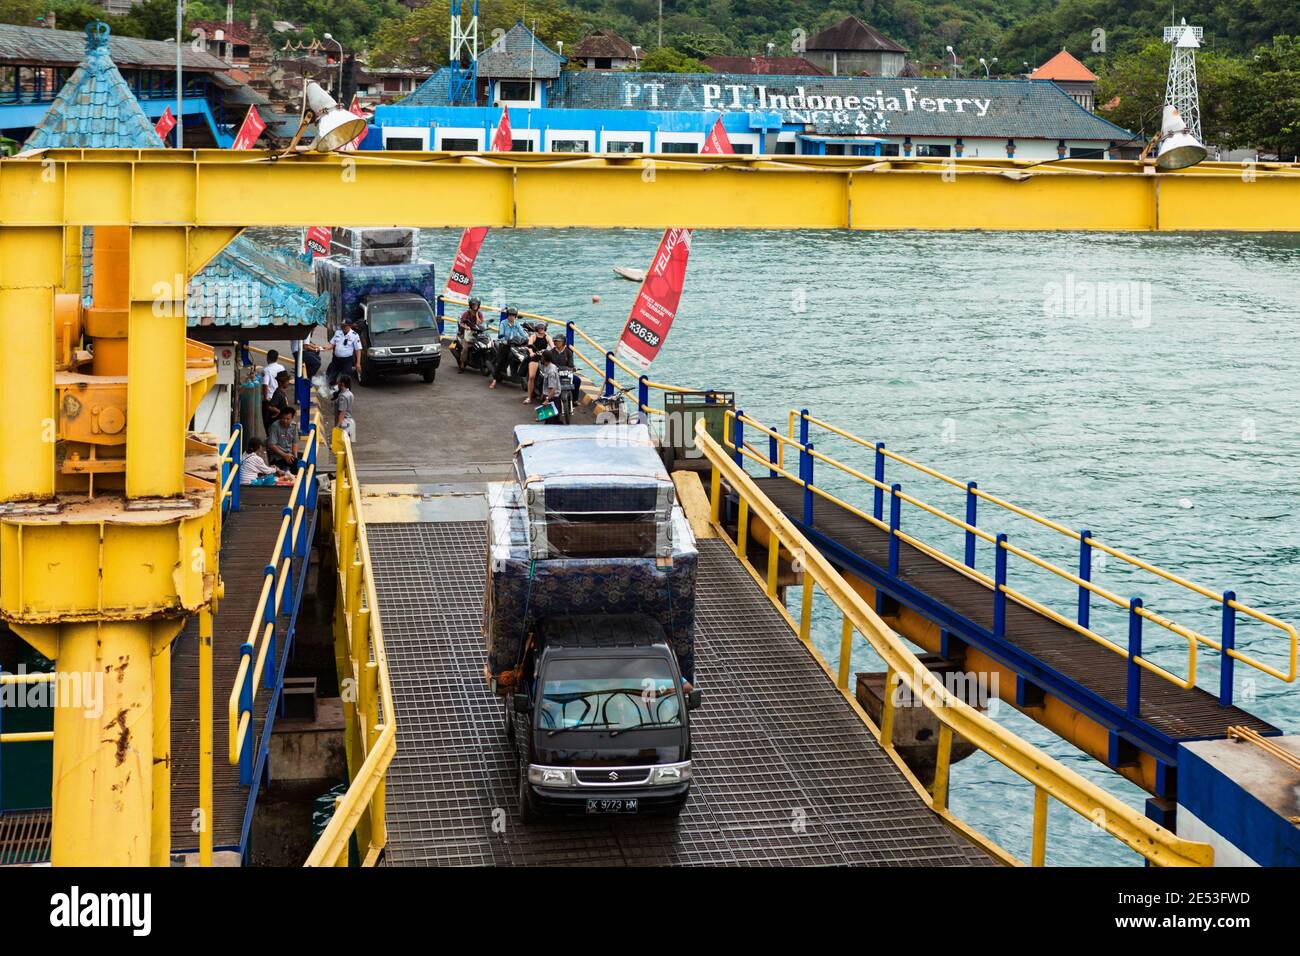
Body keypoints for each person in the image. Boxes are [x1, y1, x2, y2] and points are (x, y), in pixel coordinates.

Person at [525, 331, 575, 404]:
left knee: (577, 381)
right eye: (555, 341)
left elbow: (571, 365)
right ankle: (542, 395)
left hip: (564, 372)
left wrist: (569, 369)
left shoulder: (568, 352)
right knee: (542, 379)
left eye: (558, 341)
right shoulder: (551, 352)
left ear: (563, 342)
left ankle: (574, 400)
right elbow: (548, 363)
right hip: (554, 372)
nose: (555, 342)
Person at [490, 307, 528, 389]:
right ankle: (494, 380)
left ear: (515, 316)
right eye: (510, 315)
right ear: (507, 315)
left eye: (513, 315)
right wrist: (504, 340)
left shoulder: (517, 324)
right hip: (505, 345)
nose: (512, 317)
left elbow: (522, 333)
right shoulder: (503, 323)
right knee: (500, 361)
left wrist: (528, 339)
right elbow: (501, 334)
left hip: (514, 345)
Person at [324, 320, 362, 387]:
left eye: (345, 326)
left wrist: (358, 363)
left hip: (347, 361)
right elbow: (332, 344)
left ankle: (346, 394)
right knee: (331, 375)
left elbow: (358, 349)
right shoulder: (338, 333)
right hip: (336, 360)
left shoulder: (354, 335)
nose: (343, 327)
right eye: (342, 325)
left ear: (349, 326)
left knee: (346, 379)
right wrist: (324, 348)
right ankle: (331, 392)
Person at [456, 297, 485, 372]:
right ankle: (462, 364)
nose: (475, 306)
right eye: (473, 304)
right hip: (465, 334)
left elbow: (479, 323)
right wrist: (466, 327)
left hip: (475, 333)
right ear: (470, 305)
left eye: (476, 304)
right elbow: (461, 323)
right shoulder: (466, 313)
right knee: (465, 348)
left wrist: (477, 314)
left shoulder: (480, 313)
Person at [266, 406, 299, 471]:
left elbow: (295, 442)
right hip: (277, 456)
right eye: (283, 418)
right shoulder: (275, 426)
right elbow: (271, 445)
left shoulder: (294, 426)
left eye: (288, 419)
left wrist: (295, 457)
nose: (285, 421)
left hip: (289, 455)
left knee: (300, 465)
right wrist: (285, 456)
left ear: (292, 418)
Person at [335, 374, 356, 442]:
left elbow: (342, 412)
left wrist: (337, 426)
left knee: (342, 445)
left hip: (343, 423)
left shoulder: (343, 397)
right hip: (349, 422)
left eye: (338, 382)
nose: (337, 384)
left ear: (342, 384)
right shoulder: (350, 393)